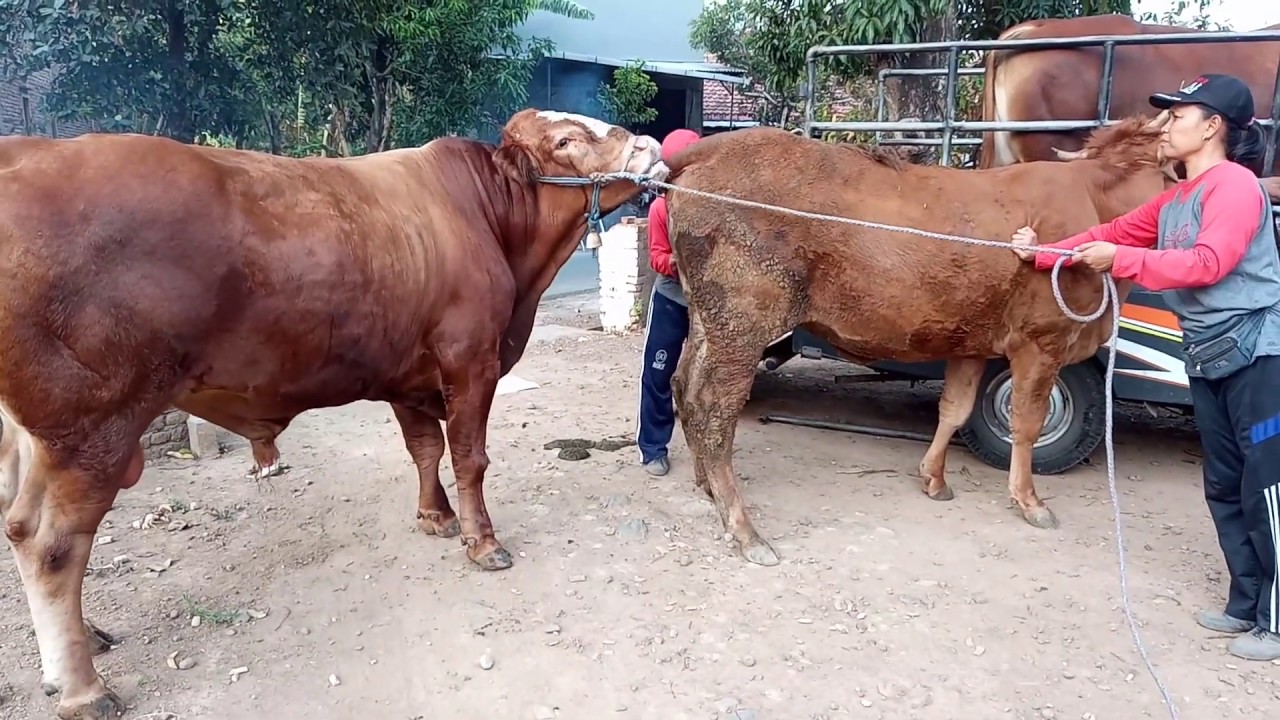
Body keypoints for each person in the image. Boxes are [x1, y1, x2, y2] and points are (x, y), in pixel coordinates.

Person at [1011, 73, 1280, 661]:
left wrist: (1122, 259)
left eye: (1178, 116)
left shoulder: (1233, 186)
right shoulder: (1175, 198)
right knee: (1225, 483)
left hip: (1261, 361)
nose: (1165, 126)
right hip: (1213, 357)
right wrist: (1045, 252)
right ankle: (1245, 605)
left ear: (1213, 127)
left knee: (1266, 482)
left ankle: (1277, 620)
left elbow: (1207, 262)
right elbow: (1109, 233)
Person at [635, 128, 700, 476]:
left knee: (706, 377)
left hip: (706, 305)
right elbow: (657, 257)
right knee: (658, 373)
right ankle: (652, 447)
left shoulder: (713, 208)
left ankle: (706, 446)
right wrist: (680, 262)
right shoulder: (661, 208)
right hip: (672, 301)